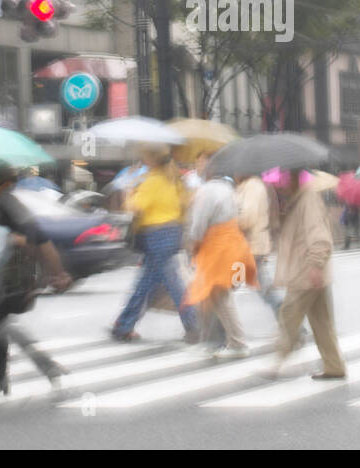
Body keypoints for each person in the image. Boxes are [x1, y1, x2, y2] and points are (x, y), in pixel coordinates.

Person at [0, 160, 72, 396]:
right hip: (12, 275)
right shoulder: (5, 202)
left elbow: (35, 235)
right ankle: (3, 378)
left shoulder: (5, 201)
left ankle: (33, 369)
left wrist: (54, 271)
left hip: (16, 276)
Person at [111, 145, 200, 343]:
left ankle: (193, 326)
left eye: (144, 155)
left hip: (155, 235)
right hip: (172, 233)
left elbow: (134, 208)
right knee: (148, 283)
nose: (142, 159)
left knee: (168, 285)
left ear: (151, 159)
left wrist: (128, 191)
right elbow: (186, 204)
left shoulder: (152, 181)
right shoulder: (175, 180)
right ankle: (124, 324)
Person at [268, 170, 346, 381]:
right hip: (310, 271)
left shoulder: (307, 199)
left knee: (289, 315)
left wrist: (315, 265)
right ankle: (334, 366)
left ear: (294, 178)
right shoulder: (297, 200)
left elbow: (319, 236)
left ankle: (279, 357)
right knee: (322, 322)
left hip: (306, 271)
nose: (281, 185)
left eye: (284, 179)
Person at [184, 179, 257, 358]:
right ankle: (210, 341)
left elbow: (198, 226)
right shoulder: (228, 191)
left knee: (220, 295)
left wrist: (193, 246)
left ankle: (237, 343)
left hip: (218, 250)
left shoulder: (205, 193)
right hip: (234, 245)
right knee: (210, 295)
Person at [234, 172, 281, 320]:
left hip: (251, 248)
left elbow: (248, 218)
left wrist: (230, 222)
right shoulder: (245, 187)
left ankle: (292, 322)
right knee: (261, 288)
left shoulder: (252, 187)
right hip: (248, 248)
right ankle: (291, 322)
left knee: (226, 287)